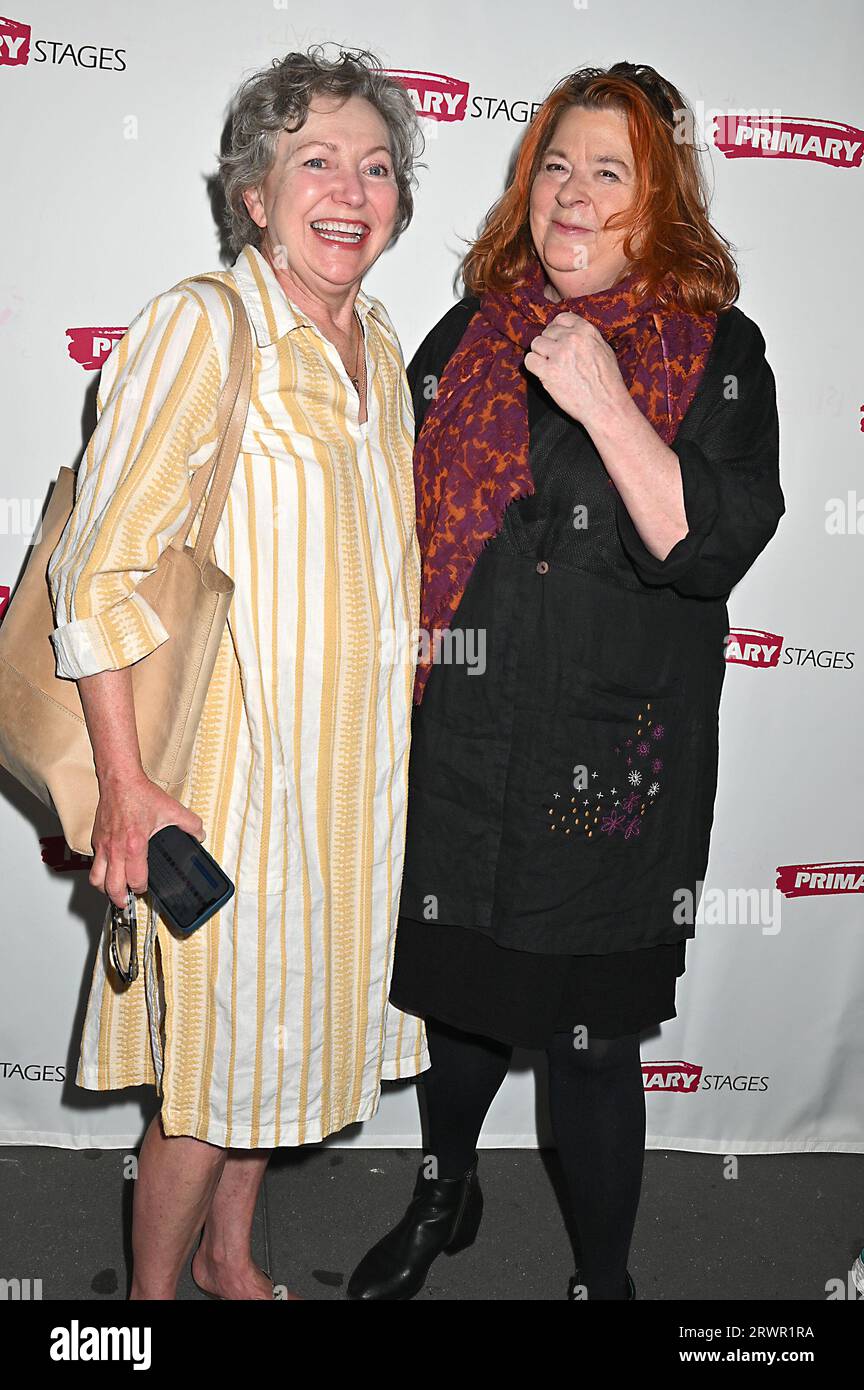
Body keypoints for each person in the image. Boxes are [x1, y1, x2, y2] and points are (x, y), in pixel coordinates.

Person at [347, 60, 784, 1301]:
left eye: (611, 172)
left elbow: (708, 546)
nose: (574, 196)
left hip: (613, 770)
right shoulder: (475, 330)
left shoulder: (720, 352)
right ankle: (446, 1190)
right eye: (557, 165)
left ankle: (605, 1281)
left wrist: (604, 401)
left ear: (661, 201)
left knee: (591, 1044)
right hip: (468, 744)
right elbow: (378, 515)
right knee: (467, 1006)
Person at [46, 45, 425, 1301]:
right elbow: (94, 575)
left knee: (295, 1047)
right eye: (314, 158)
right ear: (253, 194)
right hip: (226, 792)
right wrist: (125, 789)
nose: (350, 188)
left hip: (352, 799)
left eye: (375, 166)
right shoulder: (207, 328)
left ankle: (229, 1258)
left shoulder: (380, 345)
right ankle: (152, 1307)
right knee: (212, 1077)